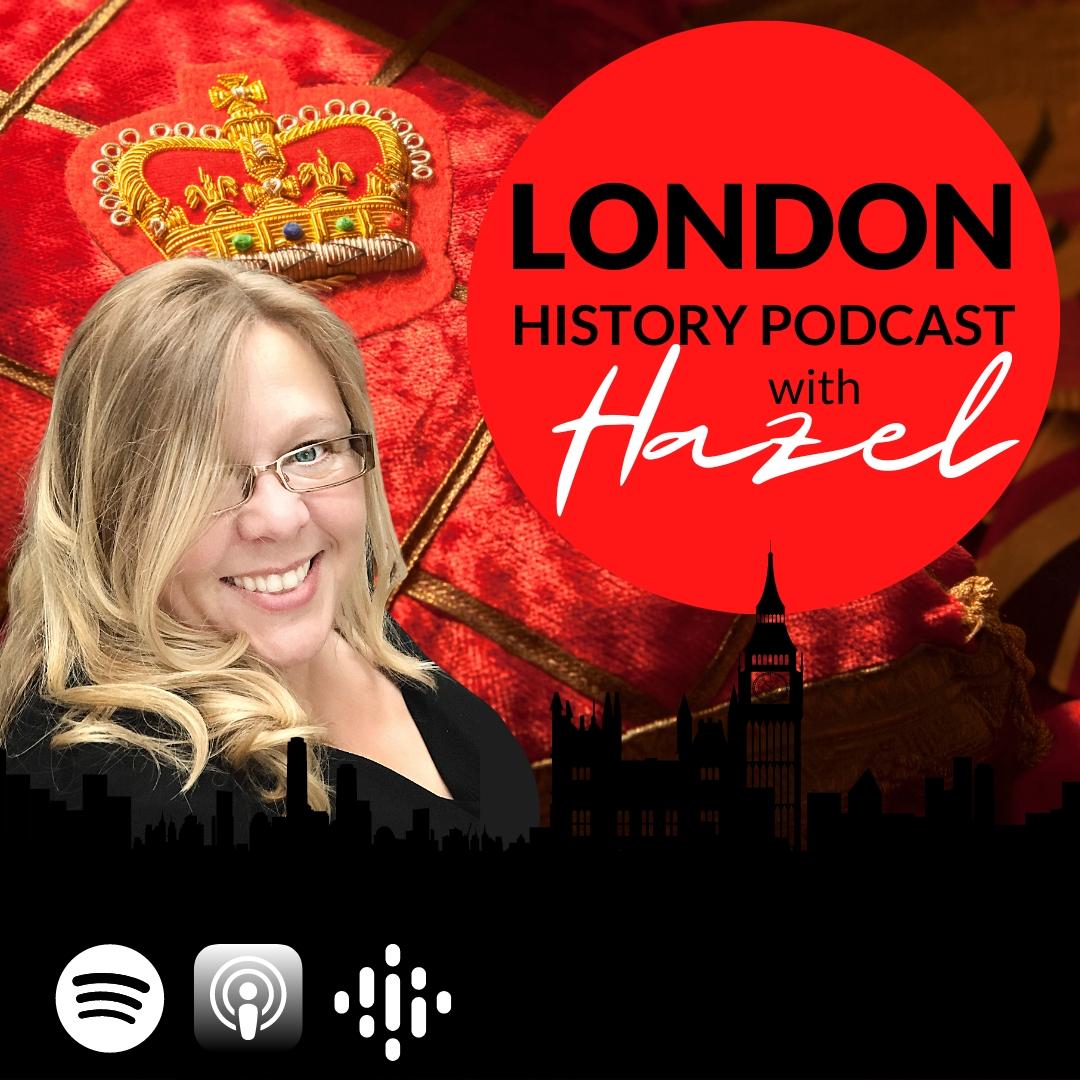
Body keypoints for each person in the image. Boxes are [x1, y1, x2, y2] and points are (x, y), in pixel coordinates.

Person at [0, 257, 538, 845]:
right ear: (105, 506)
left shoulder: (348, 625)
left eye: (308, 451)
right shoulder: (115, 784)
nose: (280, 519)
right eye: (202, 476)